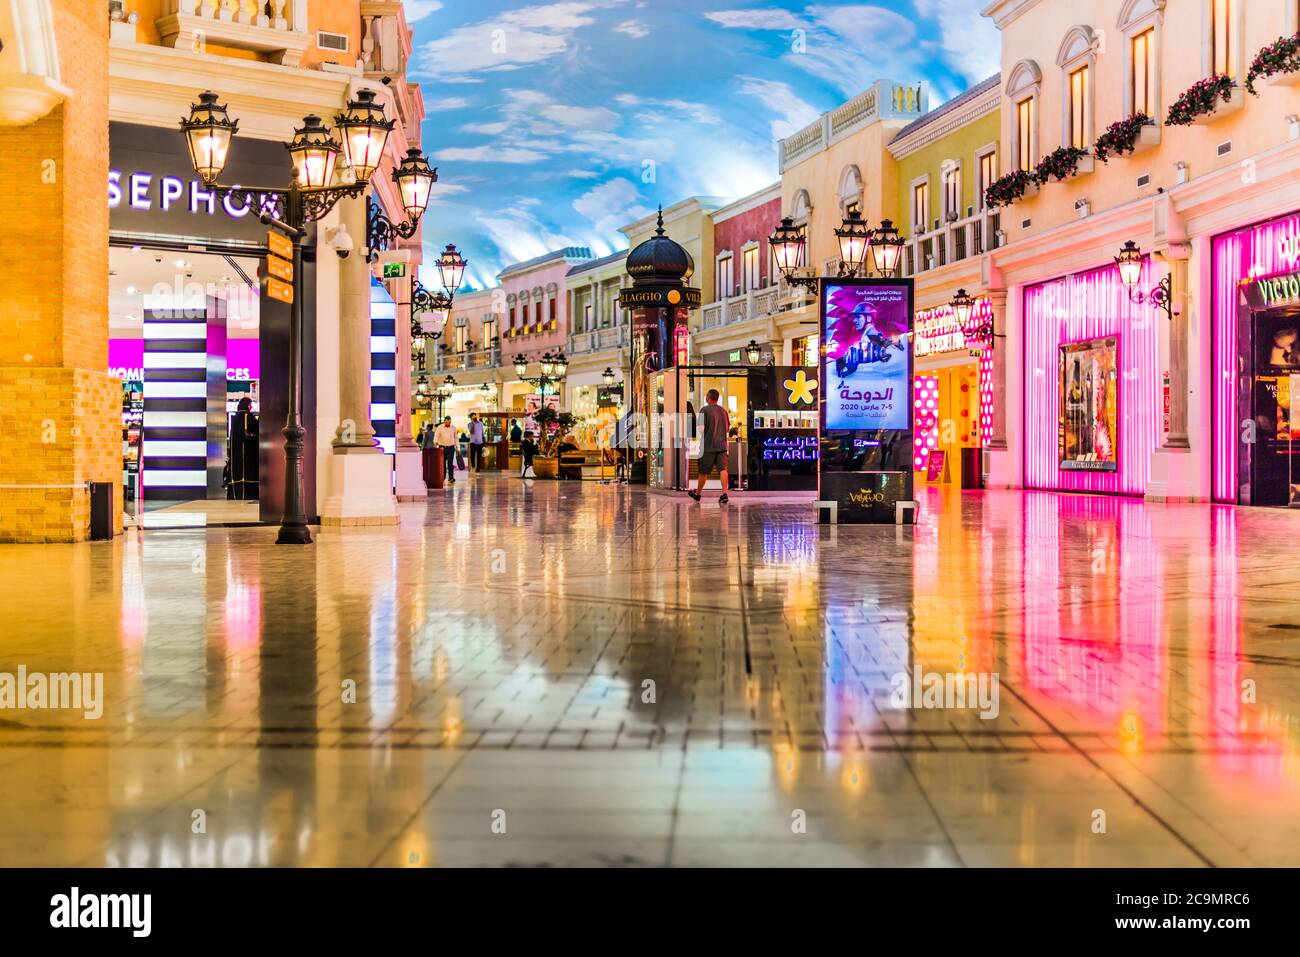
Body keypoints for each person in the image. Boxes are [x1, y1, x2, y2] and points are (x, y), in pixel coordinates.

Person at [689, 388, 730, 504]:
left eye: (707, 396)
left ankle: (698, 494)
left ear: (709, 397)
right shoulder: (723, 411)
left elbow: (701, 429)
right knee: (723, 469)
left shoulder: (704, 410)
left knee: (703, 471)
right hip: (722, 445)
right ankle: (724, 493)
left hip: (708, 446)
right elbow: (727, 429)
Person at [227, 397, 259, 500]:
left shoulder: (235, 418)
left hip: (236, 456)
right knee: (249, 471)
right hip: (248, 454)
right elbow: (257, 431)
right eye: (250, 405)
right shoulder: (248, 416)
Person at [434, 415, 457, 485]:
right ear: (444, 421)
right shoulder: (439, 427)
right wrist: (435, 442)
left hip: (451, 447)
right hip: (442, 448)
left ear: (450, 421)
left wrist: (458, 448)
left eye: (449, 422)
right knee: (442, 463)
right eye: (447, 422)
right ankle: (442, 477)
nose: (448, 424)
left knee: (450, 463)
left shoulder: (453, 428)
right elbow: (436, 435)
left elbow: (456, 438)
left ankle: (451, 478)